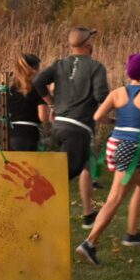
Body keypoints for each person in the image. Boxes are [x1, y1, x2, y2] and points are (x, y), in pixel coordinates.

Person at [76, 54, 140, 266]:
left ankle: (133, 232)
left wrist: (115, 120)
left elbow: (98, 117)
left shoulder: (117, 93)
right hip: (132, 148)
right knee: (114, 198)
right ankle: (89, 243)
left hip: (114, 144)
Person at [34, 27, 110, 229]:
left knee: (84, 166)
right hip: (79, 127)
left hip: (59, 126)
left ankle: (88, 215)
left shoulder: (59, 65)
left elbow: (38, 81)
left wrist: (52, 103)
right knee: (66, 172)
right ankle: (34, 207)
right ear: (88, 45)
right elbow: (102, 96)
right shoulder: (95, 67)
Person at [0, 54, 48, 152]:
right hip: (31, 135)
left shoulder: (7, 88)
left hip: (12, 135)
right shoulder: (38, 89)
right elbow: (43, 117)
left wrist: (4, 108)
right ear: (34, 70)